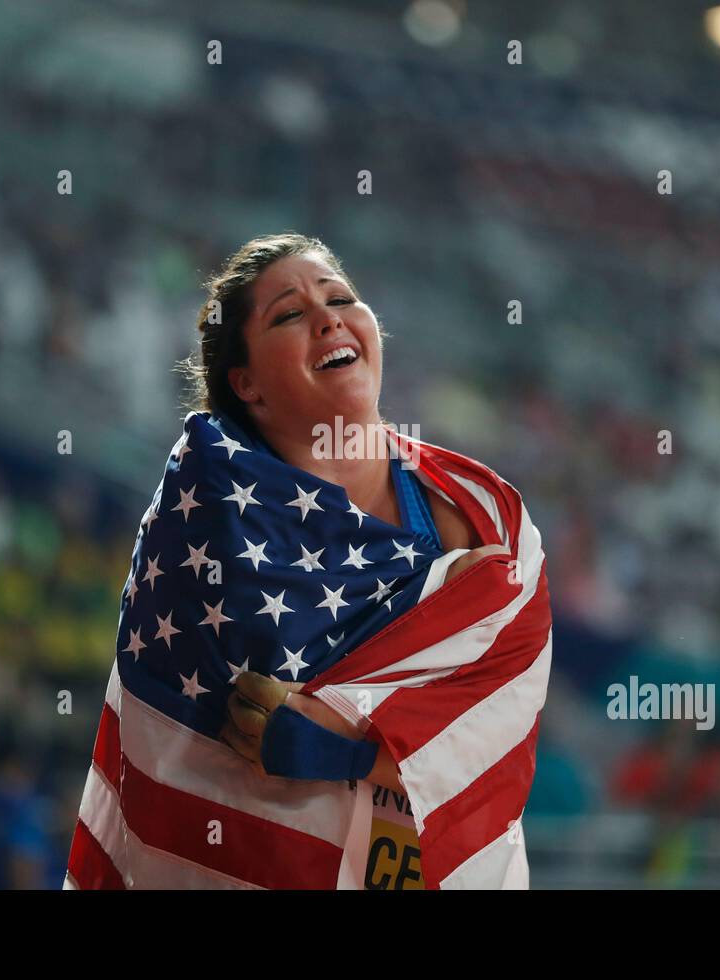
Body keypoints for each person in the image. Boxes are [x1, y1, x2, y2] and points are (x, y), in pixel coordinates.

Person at [67, 232, 550, 890]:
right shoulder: (207, 495)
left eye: (341, 298)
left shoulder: (486, 508)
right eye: (289, 314)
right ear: (248, 384)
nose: (328, 317)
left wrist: (340, 743)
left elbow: (505, 691)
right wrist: (443, 623)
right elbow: (248, 699)